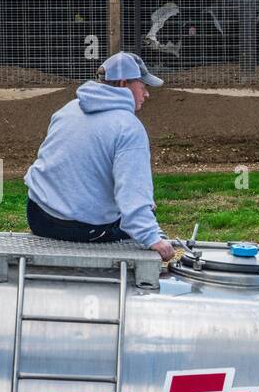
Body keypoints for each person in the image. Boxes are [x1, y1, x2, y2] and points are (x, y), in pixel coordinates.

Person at [24, 51, 175, 261]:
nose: (146, 94)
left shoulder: (69, 109)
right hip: (77, 229)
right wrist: (153, 238)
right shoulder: (128, 127)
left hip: (38, 215)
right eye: (143, 86)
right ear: (124, 84)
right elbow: (132, 192)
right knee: (147, 212)